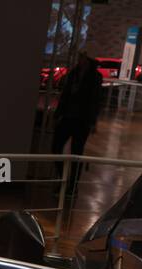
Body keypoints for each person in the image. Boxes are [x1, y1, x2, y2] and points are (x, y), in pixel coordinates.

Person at [52, 49, 103, 190]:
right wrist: (58, 114)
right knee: (56, 147)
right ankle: (63, 178)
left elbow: (95, 100)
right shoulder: (73, 73)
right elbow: (65, 96)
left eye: (82, 57)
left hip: (82, 120)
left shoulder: (95, 77)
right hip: (68, 117)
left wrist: (92, 121)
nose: (79, 59)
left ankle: (72, 185)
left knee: (77, 153)